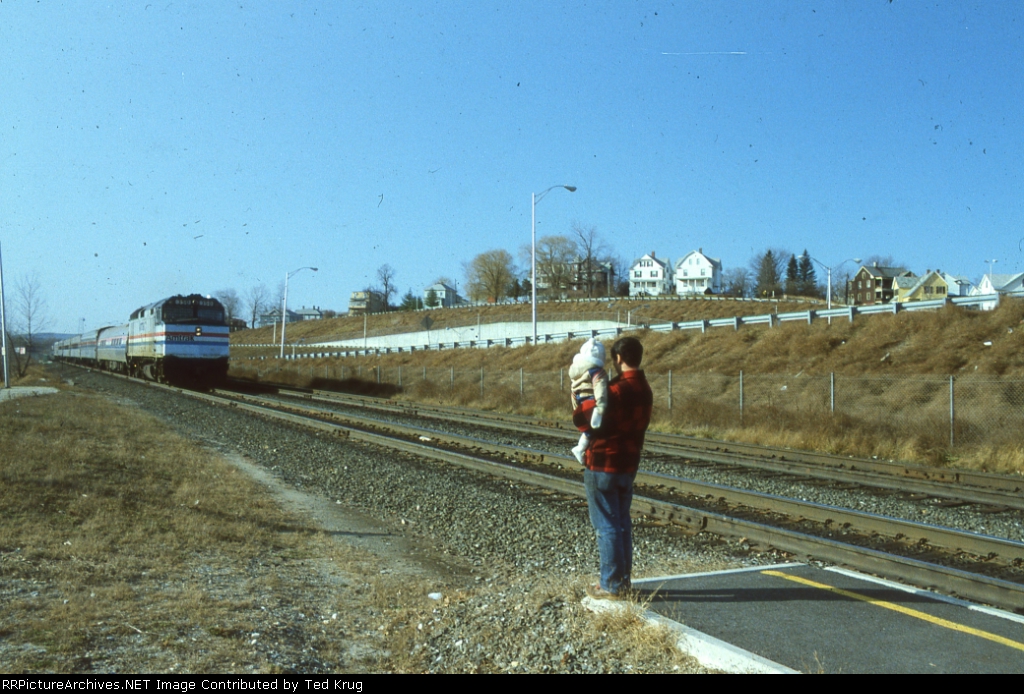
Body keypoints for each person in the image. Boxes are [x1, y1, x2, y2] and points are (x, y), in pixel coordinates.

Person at [573, 336, 652, 600]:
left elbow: (587, 422)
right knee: (621, 523)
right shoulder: (644, 389)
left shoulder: (615, 391)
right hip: (629, 465)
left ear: (618, 359)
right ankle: (623, 580)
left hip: (604, 464)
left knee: (606, 525)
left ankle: (610, 585)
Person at [567, 338, 609, 464]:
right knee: (596, 429)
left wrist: (576, 408)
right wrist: (601, 404)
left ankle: (581, 448)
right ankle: (580, 449)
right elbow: (599, 387)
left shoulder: (576, 373)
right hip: (592, 402)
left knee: (588, 430)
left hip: (581, 403)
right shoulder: (597, 371)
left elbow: (574, 392)